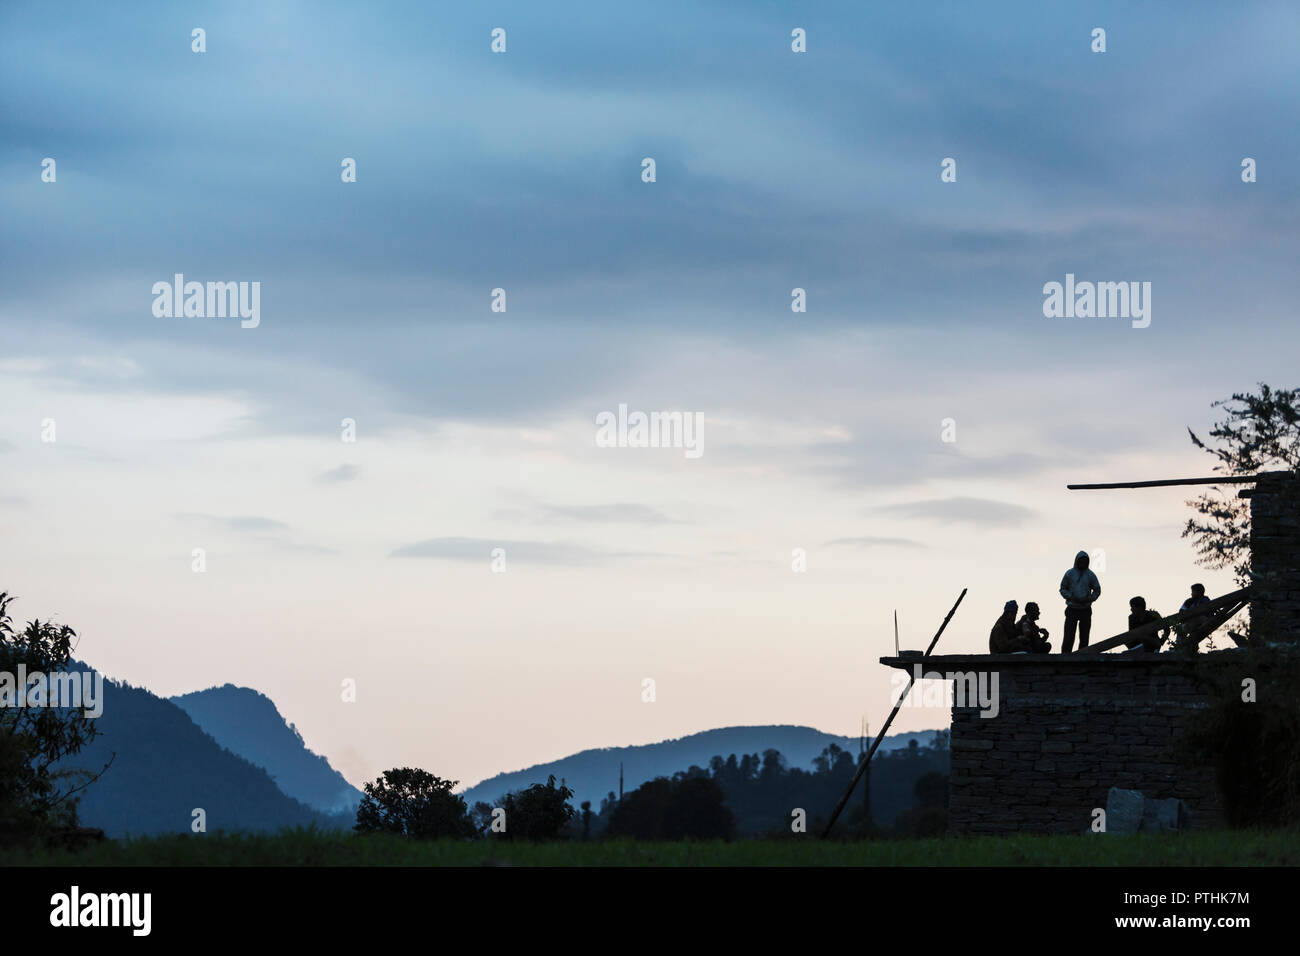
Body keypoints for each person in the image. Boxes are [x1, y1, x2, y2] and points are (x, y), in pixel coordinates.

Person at [1059, 550, 1101, 653]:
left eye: (1085, 561)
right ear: (1077, 561)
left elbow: (1097, 589)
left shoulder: (1090, 575)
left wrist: (1089, 598)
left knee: (1084, 636)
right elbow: (1062, 588)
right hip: (1072, 609)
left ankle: (1082, 655)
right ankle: (1065, 656)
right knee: (1069, 636)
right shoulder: (1070, 573)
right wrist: (1071, 597)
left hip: (1085, 609)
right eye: (1081, 561)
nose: (1083, 563)